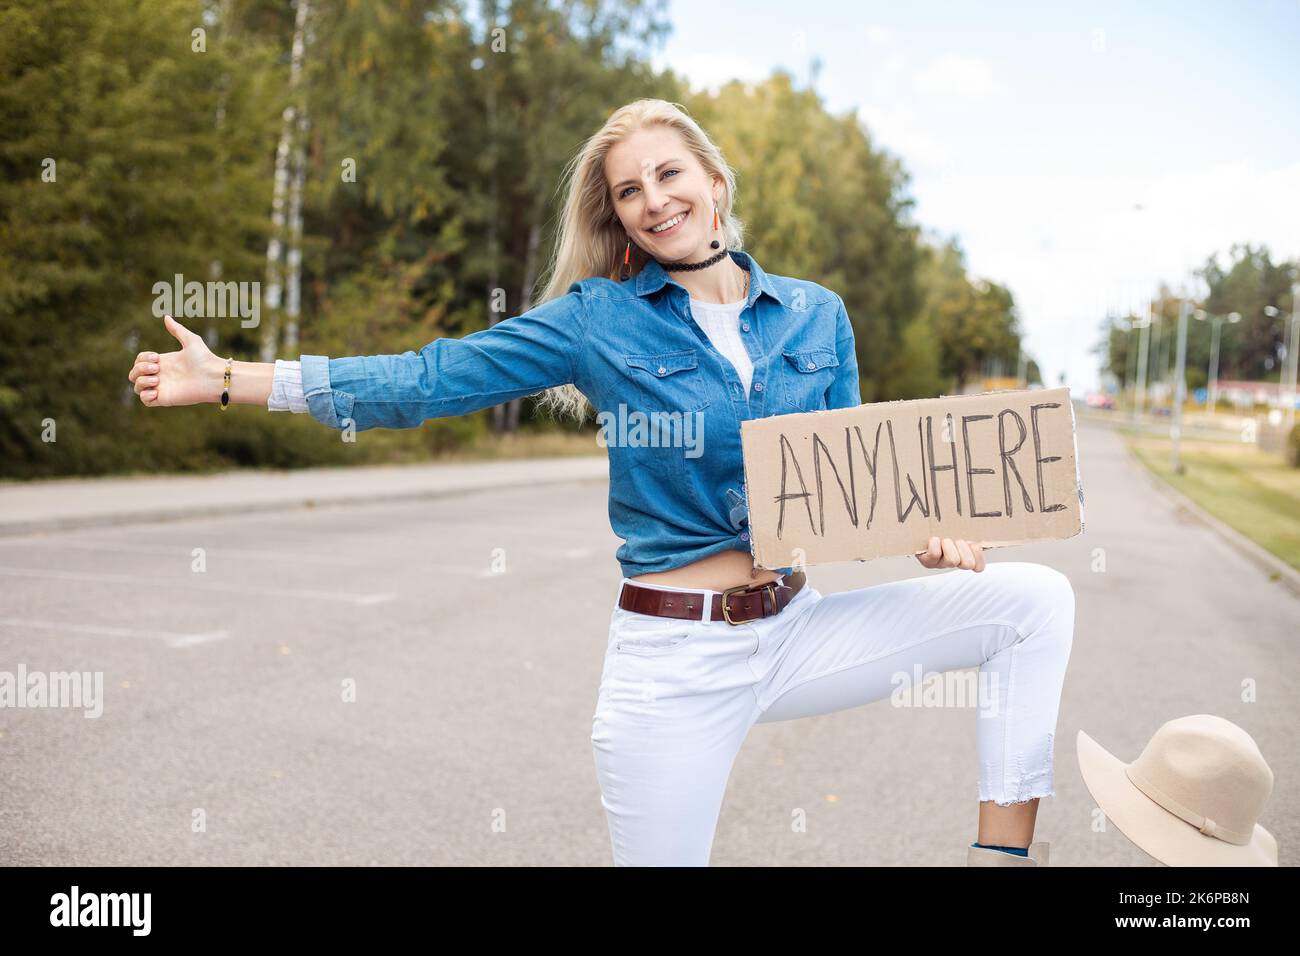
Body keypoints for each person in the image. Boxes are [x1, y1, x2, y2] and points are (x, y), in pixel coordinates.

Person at [126, 98, 1075, 867]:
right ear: (615, 216)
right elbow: (427, 378)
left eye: (669, 175)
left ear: (714, 181)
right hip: (673, 665)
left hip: (795, 628)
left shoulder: (816, 316)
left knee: (1032, 600)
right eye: (629, 192)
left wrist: (928, 533)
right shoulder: (598, 321)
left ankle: (999, 859)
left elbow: (846, 491)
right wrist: (237, 382)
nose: (654, 201)